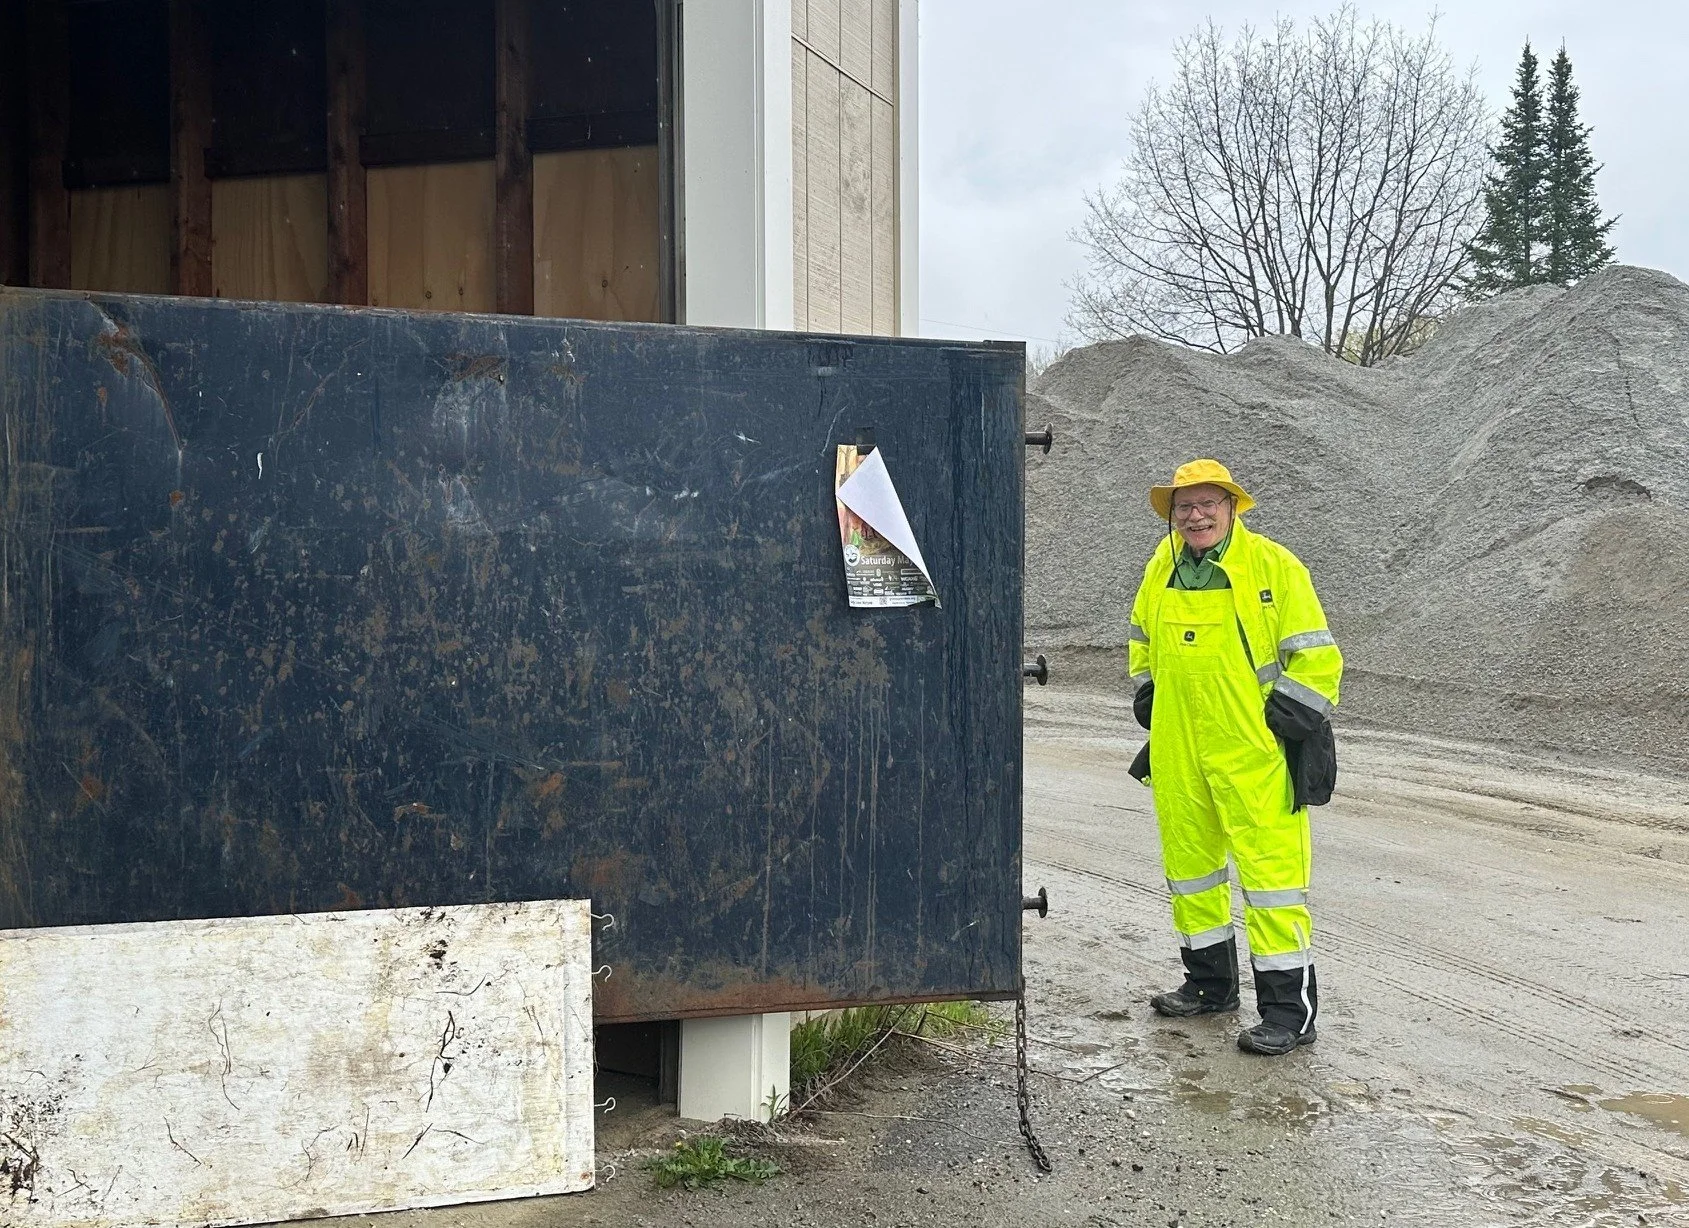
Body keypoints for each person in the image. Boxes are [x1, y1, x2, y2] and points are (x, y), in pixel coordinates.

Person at [1126, 459, 1342, 1055]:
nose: (1195, 516)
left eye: (1207, 505)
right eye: (1183, 507)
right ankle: (1209, 986)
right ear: (1172, 514)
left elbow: (1318, 654)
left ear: (1231, 508)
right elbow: (1142, 635)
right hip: (1179, 745)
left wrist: (1290, 719)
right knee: (1192, 872)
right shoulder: (1161, 566)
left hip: (1256, 750)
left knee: (1273, 880)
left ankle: (1288, 1015)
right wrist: (1147, 687)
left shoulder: (1274, 566)